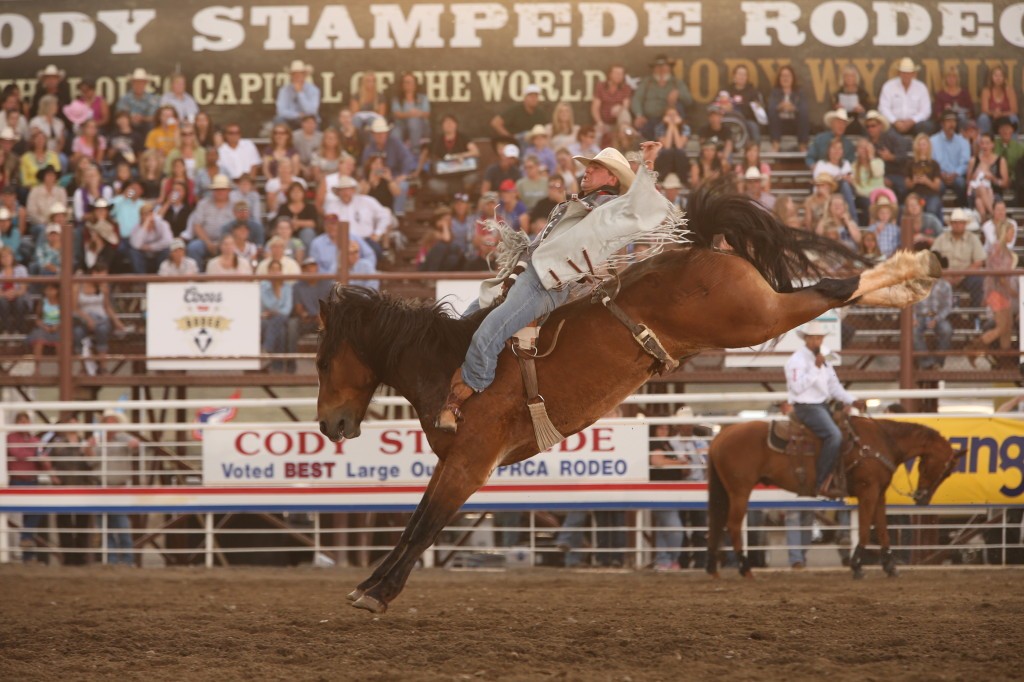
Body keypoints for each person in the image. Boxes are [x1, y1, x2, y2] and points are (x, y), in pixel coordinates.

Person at [437, 142, 678, 432]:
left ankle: (462, 400)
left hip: (546, 283)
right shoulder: (579, 206)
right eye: (589, 165)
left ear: (612, 179)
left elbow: (642, 205)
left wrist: (647, 165)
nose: (587, 169)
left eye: (596, 167)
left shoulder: (611, 209)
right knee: (467, 320)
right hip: (531, 273)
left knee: (489, 332)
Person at [785, 321, 866, 498]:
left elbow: (834, 386)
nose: (817, 342)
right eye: (813, 338)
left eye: (819, 338)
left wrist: (852, 401)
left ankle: (838, 477)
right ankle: (821, 482)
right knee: (834, 435)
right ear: (806, 339)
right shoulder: (796, 360)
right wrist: (815, 368)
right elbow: (797, 388)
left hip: (821, 405)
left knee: (848, 432)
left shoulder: (826, 357)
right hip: (805, 406)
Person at [83, 410, 139, 565]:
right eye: (107, 421)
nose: (110, 424)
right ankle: (113, 560)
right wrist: (88, 450)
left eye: (113, 421)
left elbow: (135, 446)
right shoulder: (98, 440)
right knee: (105, 526)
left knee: (122, 526)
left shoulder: (123, 437)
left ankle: (126, 560)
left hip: (118, 487)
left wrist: (134, 445)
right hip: (101, 486)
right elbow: (91, 462)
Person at [7, 411, 59, 563]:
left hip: (31, 480)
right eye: (21, 421)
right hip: (17, 481)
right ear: (17, 423)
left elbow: (42, 461)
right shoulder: (11, 438)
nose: (24, 424)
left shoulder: (35, 439)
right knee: (29, 515)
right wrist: (37, 454)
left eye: (26, 421)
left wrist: (48, 468)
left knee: (33, 514)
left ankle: (27, 550)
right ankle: (26, 546)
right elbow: (17, 453)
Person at [969, 220, 1019, 368]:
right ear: (1004, 233)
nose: (1013, 235)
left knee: (1008, 326)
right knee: (1002, 327)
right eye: (1011, 232)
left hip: (1002, 292)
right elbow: (1000, 274)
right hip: (997, 292)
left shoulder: (1003, 250)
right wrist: (1010, 290)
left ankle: (1004, 359)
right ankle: (974, 349)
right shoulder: (997, 249)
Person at [73, 263, 126, 371]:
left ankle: (103, 365)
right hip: (82, 318)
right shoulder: (78, 286)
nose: (104, 278)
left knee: (102, 329)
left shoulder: (104, 286)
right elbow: (74, 307)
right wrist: (87, 319)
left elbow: (107, 307)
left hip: (100, 318)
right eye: (102, 275)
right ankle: (83, 366)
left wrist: (117, 322)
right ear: (94, 273)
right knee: (77, 333)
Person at [360, 118, 417, 216]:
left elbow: (408, 159)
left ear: (387, 133)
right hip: (374, 179)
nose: (380, 135)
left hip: (393, 177)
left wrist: (403, 175)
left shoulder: (395, 143)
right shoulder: (369, 149)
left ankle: (398, 214)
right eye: (377, 133)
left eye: (383, 133)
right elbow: (364, 167)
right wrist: (368, 179)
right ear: (373, 134)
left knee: (402, 186)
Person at [931, 208, 986, 307]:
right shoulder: (941, 239)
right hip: (945, 276)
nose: (957, 225)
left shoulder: (973, 239)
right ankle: (938, 314)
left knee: (978, 281)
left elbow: (979, 262)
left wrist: (961, 275)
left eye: (960, 222)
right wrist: (944, 275)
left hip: (966, 276)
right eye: (955, 222)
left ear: (965, 224)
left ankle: (974, 314)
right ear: (951, 224)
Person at [632, 54, 691, 141]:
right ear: (654, 68)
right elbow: (637, 99)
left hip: (669, 122)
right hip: (650, 119)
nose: (661, 69)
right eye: (658, 67)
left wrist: (679, 94)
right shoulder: (647, 82)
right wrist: (639, 115)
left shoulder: (676, 83)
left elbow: (689, 101)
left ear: (669, 68)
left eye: (664, 66)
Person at [183, 174, 234, 266]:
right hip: (205, 241)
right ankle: (197, 278)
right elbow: (197, 225)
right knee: (193, 248)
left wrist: (224, 243)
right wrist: (208, 243)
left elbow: (237, 226)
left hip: (228, 241)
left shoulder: (234, 205)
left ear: (228, 190)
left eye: (222, 189)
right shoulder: (203, 204)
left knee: (237, 248)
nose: (220, 192)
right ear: (213, 191)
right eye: (217, 189)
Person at [424, 114, 480, 196]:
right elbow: (426, 154)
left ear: (456, 125)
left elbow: (476, 152)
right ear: (442, 126)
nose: (449, 125)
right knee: (432, 184)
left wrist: (460, 155)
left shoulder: (463, 137)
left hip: (462, 173)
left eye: (451, 122)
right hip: (444, 176)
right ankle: (447, 201)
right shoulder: (436, 140)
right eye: (446, 123)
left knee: (473, 177)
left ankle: (464, 199)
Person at [878, 58, 934, 136]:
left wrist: (912, 121)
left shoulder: (921, 87)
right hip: (894, 124)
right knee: (883, 128)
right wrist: (895, 121)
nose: (906, 75)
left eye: (909, 73)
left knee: (927, 126)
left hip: (915, 124)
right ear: (899, 73)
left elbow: (926, 111)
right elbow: (883, 108)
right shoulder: (888, 86)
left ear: (914, 74)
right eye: (903, 72)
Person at [913, 269, 953, 369]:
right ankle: (927, 364)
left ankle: (938, 363)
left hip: (937, 316)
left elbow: (947, 306)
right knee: (912, 332)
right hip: (919, 316)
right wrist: (912, 318)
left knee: (947, 330)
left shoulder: (945, 285)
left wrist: (936, 319)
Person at [260, 259, 294, 373]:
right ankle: (277, 366)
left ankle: (267, 349)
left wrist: (278, 288)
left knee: (278, 320)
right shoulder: (263, 286)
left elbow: (287, 310)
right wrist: (275, 288)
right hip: (266, 319)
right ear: (268, 271)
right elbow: (267, 304)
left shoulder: (287, 287)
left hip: (280, 318)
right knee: (279, 330)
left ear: (281, 271)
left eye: (277, 269)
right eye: (272, 269)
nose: (275, 272)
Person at [931, 110, 971, 207]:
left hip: (957, 176)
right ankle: (937, 214)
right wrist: (940, 173)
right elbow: (931, 162)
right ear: (942, 124)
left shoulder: (963, 142)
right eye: (948, 121)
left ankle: (963, 210)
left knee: (961, 184)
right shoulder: (932, 141)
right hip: (939, 176)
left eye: (954, 121)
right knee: (937, 186)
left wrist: (956, 173)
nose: (952, 124)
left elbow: (965, 163)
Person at [967, 133, 1010, 223]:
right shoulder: (974, 161)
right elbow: (968, 182)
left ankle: (984, 222)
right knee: (981, 189)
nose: (984, 146)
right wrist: (974, 176)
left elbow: (1005, 183)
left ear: (992, 144)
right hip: (976, 191)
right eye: (982, 143)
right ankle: (993, 213)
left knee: (979, 202)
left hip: (994, 193)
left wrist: (993, 179)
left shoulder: (1000, 161)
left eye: (987, 143)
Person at [767, 65, 809, 151]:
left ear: (792, 78)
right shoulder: (775, 92)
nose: (785, 79)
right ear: (779, 78)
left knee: (803, 115)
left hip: (795, 124)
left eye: (788, 76)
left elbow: (804, 107)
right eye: (783, 76)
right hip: (779, 124)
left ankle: (803, 147)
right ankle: (775, 146)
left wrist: (794, 108)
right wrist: (779, 107)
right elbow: (770, 107)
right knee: (773, 114)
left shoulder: (799, 92)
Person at [591, 64, 633, 147]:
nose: (619, 76)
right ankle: (595, 158)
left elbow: (625, 107)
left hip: (618, 123)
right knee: (595, 134)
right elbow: (595, 107)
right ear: (610, 74)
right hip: (604, 123)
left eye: (621, 74)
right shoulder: (601, 86)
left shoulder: (626, 88)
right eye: (616, 73)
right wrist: (599, 122)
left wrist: (618, 111)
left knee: (625, 131)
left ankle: (625, 129)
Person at [906, 133, 943, 221]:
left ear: (928, 146)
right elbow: (907, 185)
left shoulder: (934, 164)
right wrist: (914, 181)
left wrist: (927, 181)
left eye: (924, 144)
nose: (922, 147)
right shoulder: (910, 164)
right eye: (919, 144)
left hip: (931, 194)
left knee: (931, 208)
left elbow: (937, 186)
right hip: (915, 195)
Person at [128, 203, 173, 273]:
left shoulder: (162, 224)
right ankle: (142, 281)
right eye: (146, 215)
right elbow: (136, 245)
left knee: (167, 250)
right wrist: (145, 225)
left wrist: (150, 247)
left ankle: (162, 278)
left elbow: (168, 240)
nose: (149, 217)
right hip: (144, 255)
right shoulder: (136, 228)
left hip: (158, 253)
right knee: (133, 252)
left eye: (150, 214)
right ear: (141, 216)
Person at [390, 71, 431, 150]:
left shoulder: (422, 98)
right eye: (405, 82)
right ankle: (399, 155)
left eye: (410, 82)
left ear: (415, 84)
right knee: (395, 133)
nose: (408, 85)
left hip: (420, 127)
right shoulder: (397, 99)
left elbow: (427, 113)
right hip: (402, 126)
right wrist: (411, 114)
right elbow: (396, 114)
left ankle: (415, 151)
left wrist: (416, 114)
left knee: (413, 121)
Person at [293, 257, 331, 336]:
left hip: (324, 318)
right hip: (307, 318)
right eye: (306, 267)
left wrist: (322, 316)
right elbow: (298, 307)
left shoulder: (327, 284)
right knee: (293, 324)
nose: (310, 269)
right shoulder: (298, 286)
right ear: (303, 270)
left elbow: (331, 304)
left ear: (317, 268)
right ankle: (293, 349)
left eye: (312, 266)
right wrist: (304, 314)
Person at [726, 64, 764, 144]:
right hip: (731, 121)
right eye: (739, 74)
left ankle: (755, 150)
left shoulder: (753, 92)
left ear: (747, 77)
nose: (742, 77)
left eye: (744, 75)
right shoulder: (727, 91)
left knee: (754, 127)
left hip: (747, 119)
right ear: (734, 76)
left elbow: (758, 108)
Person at [275, 60, 320, 127]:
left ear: (304, 75)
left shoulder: (313, 90)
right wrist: (298, 115)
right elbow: (281, 111)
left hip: (306, 120)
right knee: (278, 120)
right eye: (294, 74)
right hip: (289, 120)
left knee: (313, 120)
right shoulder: (284, 90)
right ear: (291, 76)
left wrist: (300, 93)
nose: (297, 77)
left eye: (300, 74)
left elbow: (311, 112)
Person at [115, 68, 160, 135]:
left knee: (150, 125)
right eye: (136, 82)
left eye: (141, 83)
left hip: (146, 126)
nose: (139, 85)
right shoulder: (125, 99)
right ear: (132, 83)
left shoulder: (152, 99)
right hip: (129, 125)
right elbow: (120, 115)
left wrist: (142, 118)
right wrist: (131, 118)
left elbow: (155, 116)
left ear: (145, 84)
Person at [977, 65, 1019, 136]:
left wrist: (1001, 114)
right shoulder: (986, 91)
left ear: (1004, 78)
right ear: (991, 77)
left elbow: (1014, 110)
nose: (998, 78)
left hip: (1006, 118)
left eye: (1000, 76)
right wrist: (994, 113)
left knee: (1014, 118)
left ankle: (1013, 144)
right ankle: (985, 142)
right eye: (996, 75)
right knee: (983, 118)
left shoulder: (1009, 91)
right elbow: (984, 109)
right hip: (991, 118)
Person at [832, 64, 872, 135]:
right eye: (847, 76)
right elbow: (832, 111)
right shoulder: (838, 93)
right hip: (843, 120)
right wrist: (837, 108)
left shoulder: (863, 93)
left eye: (852, 76)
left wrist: (862, 110)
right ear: (843, 78)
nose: (849, 78)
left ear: (856, 78)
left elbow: (869, 112)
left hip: (858, 121)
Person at [653, 107, 690, 182]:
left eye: (674, 115)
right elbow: (667, 146)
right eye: (669, 115)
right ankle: (661, 180)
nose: (672, 118)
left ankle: (683, 181)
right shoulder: (659, 128)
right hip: (665, 157)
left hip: (679, 157)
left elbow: (679, 145)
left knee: (679, 152)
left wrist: (675, 127)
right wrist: (670, 125)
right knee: (668, 152)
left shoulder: (685, 128)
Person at [0, 245, 30, 333]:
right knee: (2, 301)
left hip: (19, 295)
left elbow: (23, 289)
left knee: (20, 301)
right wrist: (5, 294)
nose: (6, 258)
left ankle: (19, 329)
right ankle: (6, 329)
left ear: (12, 257)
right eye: (3, 256)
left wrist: (14, 293)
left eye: (8, 255)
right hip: (4, 297)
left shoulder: (21, 269)